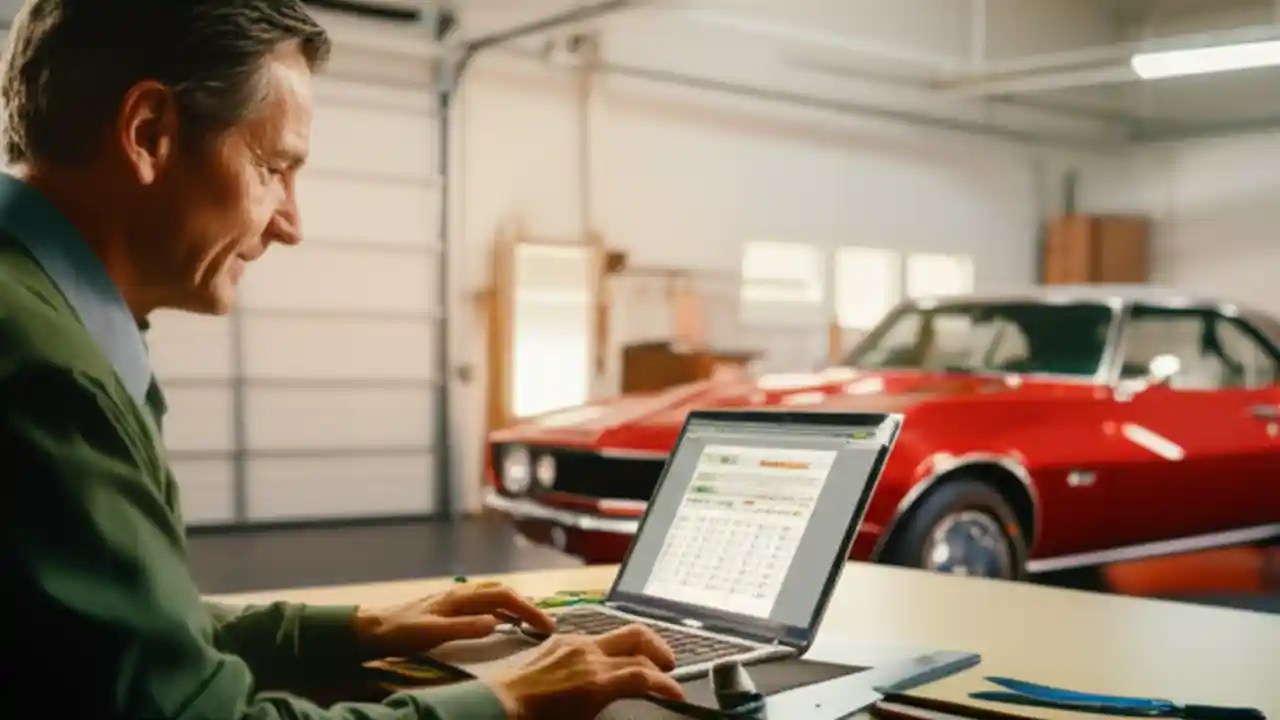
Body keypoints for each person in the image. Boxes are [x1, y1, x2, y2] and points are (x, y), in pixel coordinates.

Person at [0, 1, 684, 718]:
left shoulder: (42, 316)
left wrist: (358, 629)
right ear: (149, 133)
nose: (292, 223)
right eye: (273, 168)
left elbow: (124, 631)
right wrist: (505, 700)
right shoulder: (45, 373)